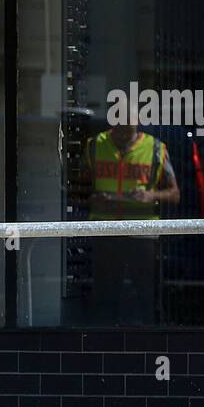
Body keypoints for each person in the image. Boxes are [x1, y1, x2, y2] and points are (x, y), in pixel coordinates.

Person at [84, 114, 180, 325]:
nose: (124, 136)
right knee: (105, 298)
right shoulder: (95, 146)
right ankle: (105, 343)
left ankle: (149, 341)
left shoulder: (155, 149)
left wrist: (151, 196)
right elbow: (77, 190)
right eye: (120, 131)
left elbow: (174, 194)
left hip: (142, 235)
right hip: (106, 232)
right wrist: (94, 199)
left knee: (146, 296)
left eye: (129, 131)